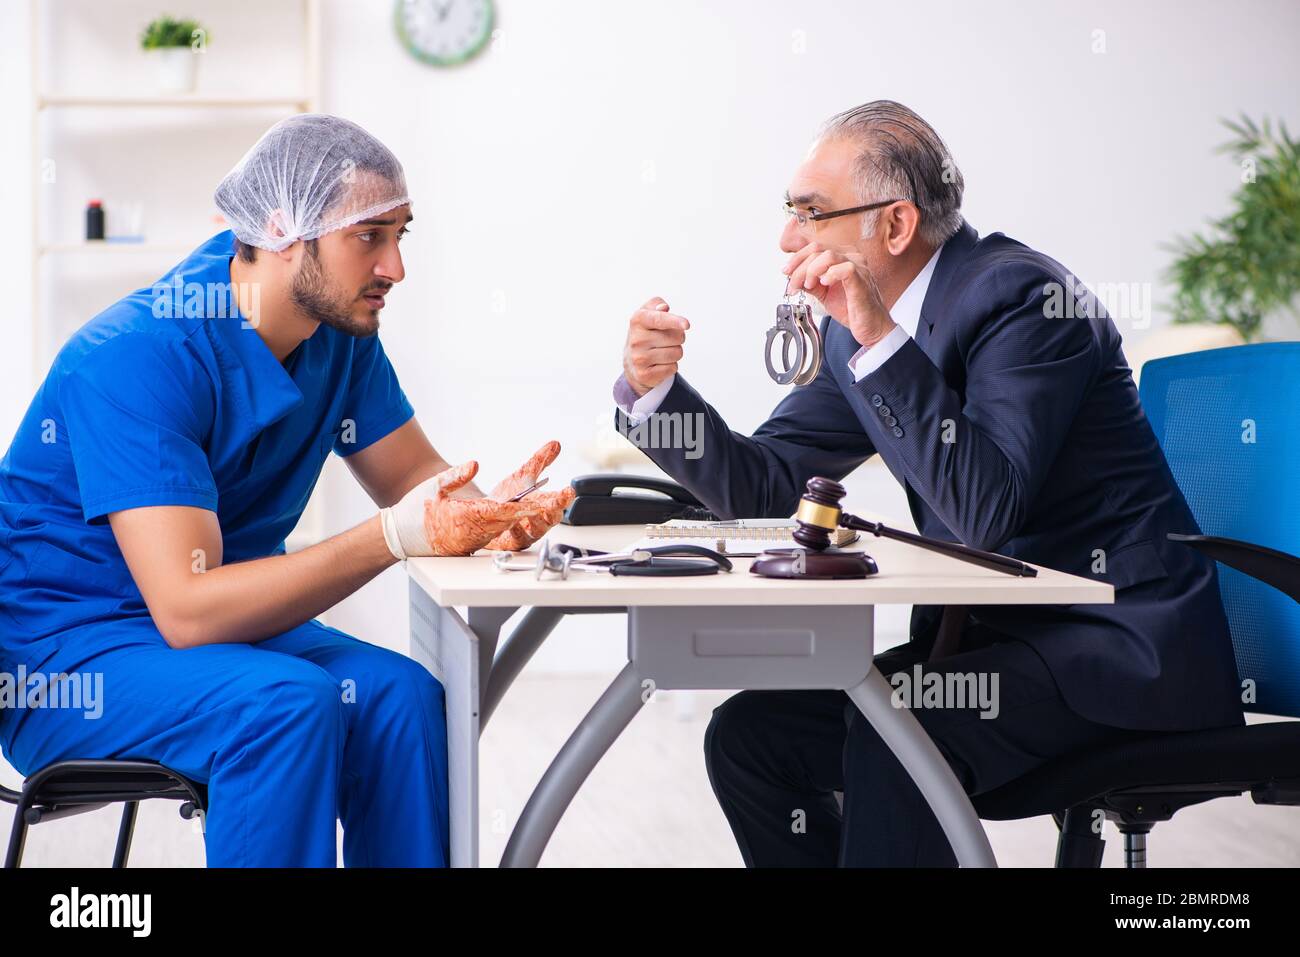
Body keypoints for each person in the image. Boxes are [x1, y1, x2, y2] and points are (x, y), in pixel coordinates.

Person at [612, 100, 1244, 866]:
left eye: (810, 213)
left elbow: (985, 510)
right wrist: (656, 394)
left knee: (896, 734)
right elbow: (767, 486)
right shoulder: (859, 332)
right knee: (752, 738)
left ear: (897, 225)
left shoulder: (1028, 302)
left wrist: (877, 338)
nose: (787, 238)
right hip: (1000, 650)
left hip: (1117, 654)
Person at [0, 113, 574, 867]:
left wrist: (493, 514)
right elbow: (188, 609)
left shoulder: (337, 339)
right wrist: (392, 538)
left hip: (222, 628)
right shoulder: (138, 355)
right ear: (282, 233)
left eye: (402, 234)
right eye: (369, 236)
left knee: (399, 698)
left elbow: (416, 485)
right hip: (72, 654)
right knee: (284, 706)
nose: (395, 266)